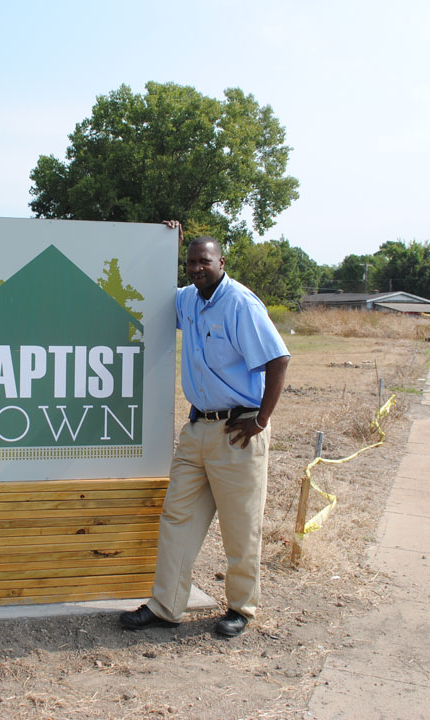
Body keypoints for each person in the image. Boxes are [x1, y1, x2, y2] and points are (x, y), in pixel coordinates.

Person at [120, 228, 290, 637]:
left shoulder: (239, 303)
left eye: (204, 262)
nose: (196, 268)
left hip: (238, 431)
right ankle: (166, 606)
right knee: (177, 517)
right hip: (197, 429)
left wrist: (261, 419)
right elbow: (148, 289)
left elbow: (278, 358)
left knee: (240, 525)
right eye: (191, 262)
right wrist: (166, 244)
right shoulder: (187, 300)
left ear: (221, 263)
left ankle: (240, 609)